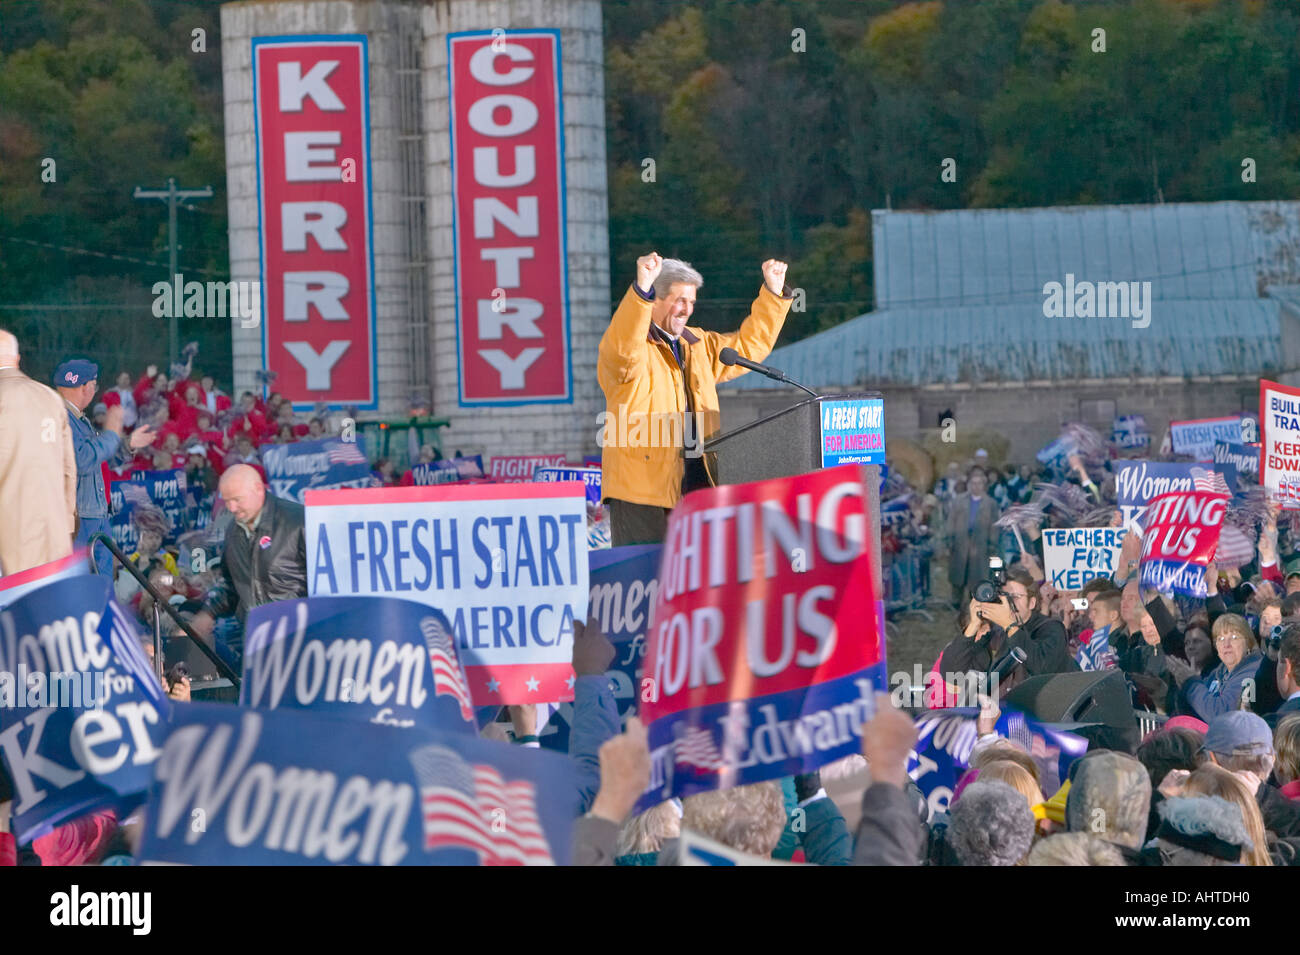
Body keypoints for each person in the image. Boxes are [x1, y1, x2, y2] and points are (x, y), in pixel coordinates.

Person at [598, 252, 793, 546]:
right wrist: (641, 289)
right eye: (679, 300)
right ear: (655, 299)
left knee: (696, 584)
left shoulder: (697, 344)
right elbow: (625, 345)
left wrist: (774, 295)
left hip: (697, 486)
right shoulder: (630, 349)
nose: (686, 309)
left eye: (691, 302)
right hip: (642, 494)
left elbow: (748, 346)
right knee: (647, 579)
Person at [54, 358, 156, 576]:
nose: (94, 390)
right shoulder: (61, 418)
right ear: (84, 387)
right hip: (80, 520)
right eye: (94, 385)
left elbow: (99, 462)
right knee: (89, 589)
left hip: (93, 515)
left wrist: (127, 444)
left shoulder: (79, 420)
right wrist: (111, 434)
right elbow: (82, 461)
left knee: (102, 588)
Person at [190, 464, 306, 639]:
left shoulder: (298, 521)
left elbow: (325, 585)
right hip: (255, 641)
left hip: (298, 637)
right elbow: (232, 585)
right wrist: (208, 612)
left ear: (258, 489)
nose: (231, 508)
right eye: (227, 500)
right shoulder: (233, 531)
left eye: (237, 499)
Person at [0, 330, 78, 575]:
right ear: (17, 359)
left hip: (9, 544)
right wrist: (66, 526)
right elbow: (69, 471)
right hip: (54, 540)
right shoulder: (50, 397)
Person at [1167, 613, 1262, 721]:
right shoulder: (1218, 673)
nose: (1226, 644)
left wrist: (1190, 683)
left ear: (1248, 642)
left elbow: (1222, 714)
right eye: (1220, 639)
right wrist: (1183, 685)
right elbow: (1194, 711)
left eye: (1234, 638)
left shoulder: (1252, 673)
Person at [944, 465, 1001, 607]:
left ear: (984, 485)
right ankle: (955, 602)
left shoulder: (991, 503)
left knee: (976, 575)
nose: (976, 486)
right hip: (961, 543)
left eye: (979, 483)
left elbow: (994, 525)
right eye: (973, 483)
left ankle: (974, 602)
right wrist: (949, 540)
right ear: (969, 485)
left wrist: (992, 544)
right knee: (958, 573)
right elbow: (951, 520)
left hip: (980, 545)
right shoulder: (959, 500)